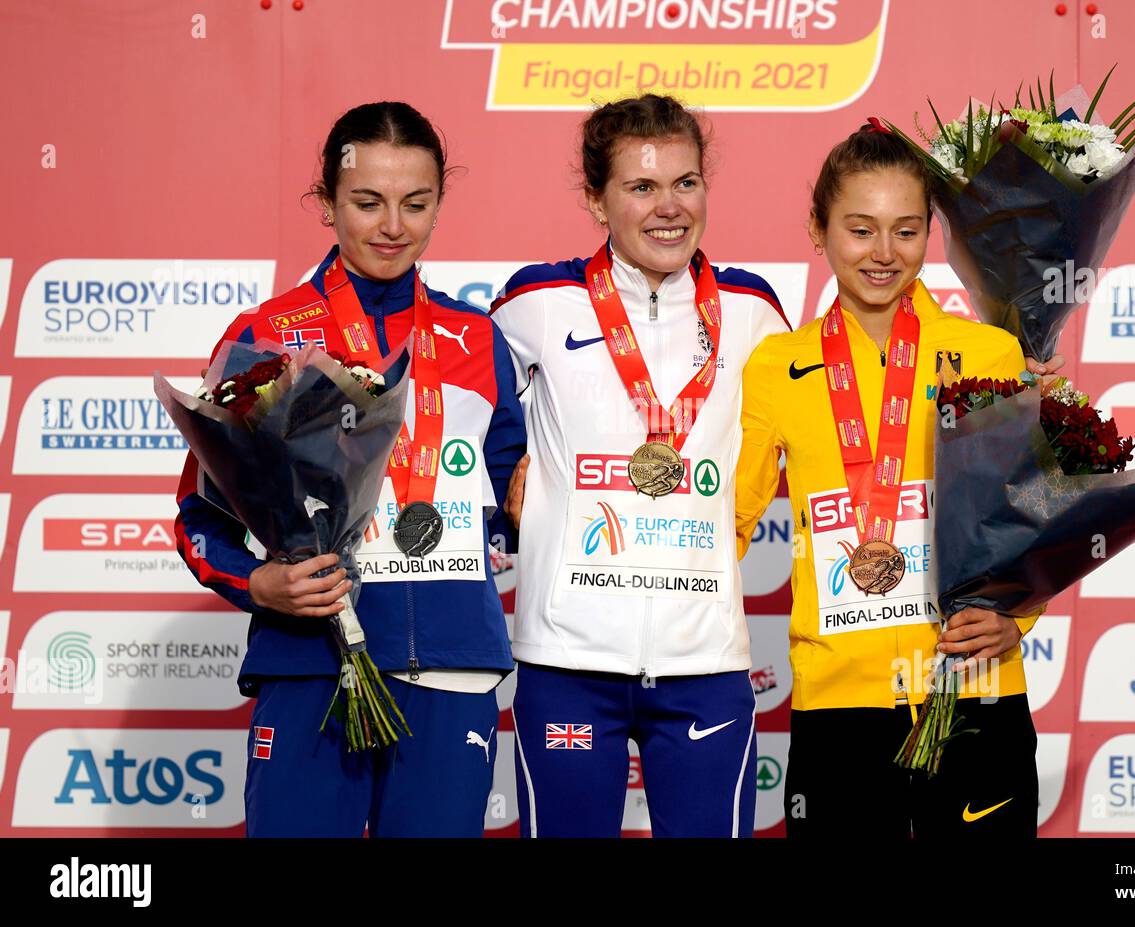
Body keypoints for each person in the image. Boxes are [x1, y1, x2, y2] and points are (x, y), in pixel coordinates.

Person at [174, 101, 526, 837]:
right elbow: (200, 519)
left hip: (450, 666)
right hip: (307, 660)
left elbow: (510, 509)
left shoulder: (478, 341)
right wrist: (258, 584)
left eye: (416, 203)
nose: (392, 224)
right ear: (327, 203)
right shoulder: (266, 334)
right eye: (367, 202)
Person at [734, 121, 1061, 840]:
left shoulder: (989, 351)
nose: (884, 253)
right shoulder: (775, 366)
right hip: (838, 705)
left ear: (931, 231)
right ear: (818, 229)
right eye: (860, 229)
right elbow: (724, 524)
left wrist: (1018, 617)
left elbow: (1036, 510)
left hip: (974, 687)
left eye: (906, 230)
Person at [490, 94, 790, 837]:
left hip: (705, 661)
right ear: (596, 198)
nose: (670, 208)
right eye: (642, 186)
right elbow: (453, 414)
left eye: (686, 183)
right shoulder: (537, 301)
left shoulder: (755, 312)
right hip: (567, 657)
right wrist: (503, 494)